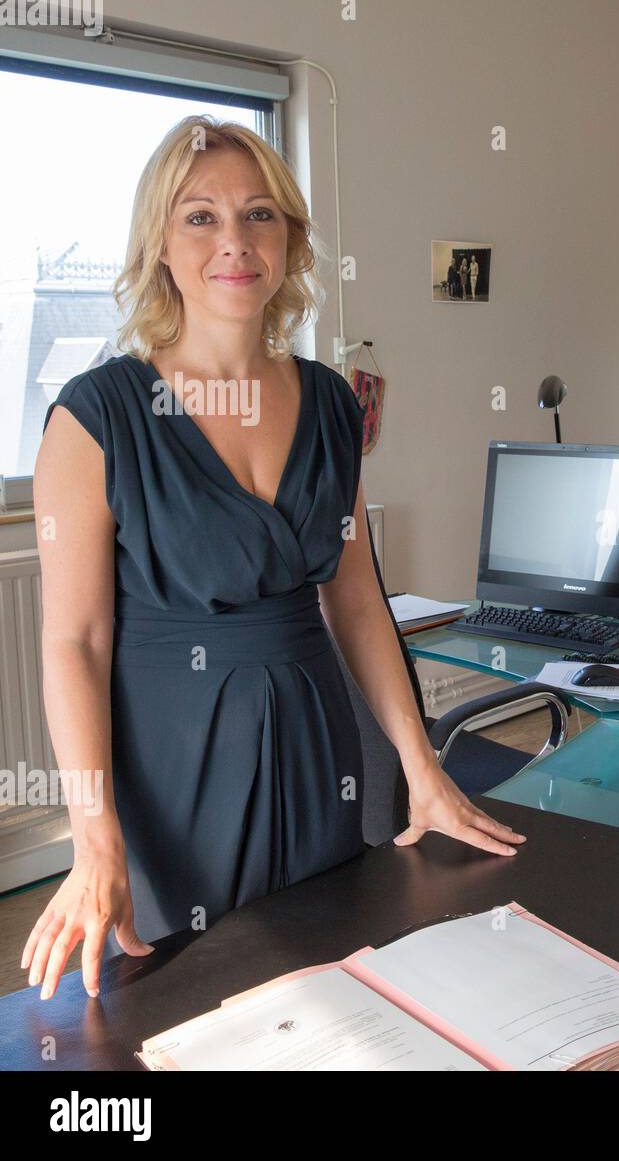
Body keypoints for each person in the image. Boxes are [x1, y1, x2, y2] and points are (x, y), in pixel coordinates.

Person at [25, 115, 523, 1002]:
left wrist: (422, 767)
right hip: (172, 767)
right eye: (200, 217)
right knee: (184, 1010)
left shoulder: (333, 402)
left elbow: (357, 599)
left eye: (260, 215)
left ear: (290, 239)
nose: (235, 241)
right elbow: (77, 643)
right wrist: (93, 837)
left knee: (332, 987)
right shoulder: (95, 416)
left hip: (312, 745)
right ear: (159, 245)